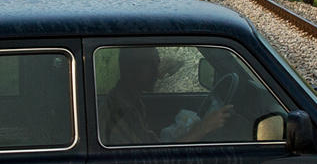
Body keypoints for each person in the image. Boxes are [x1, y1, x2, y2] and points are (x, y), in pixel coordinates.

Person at [100, 46, 233, 146]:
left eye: (157, 64)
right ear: (126, 68)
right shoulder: (122, 112)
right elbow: (154, 158)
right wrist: (203, 128)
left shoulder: (127, 99)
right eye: (147, 64)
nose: (157, 74)